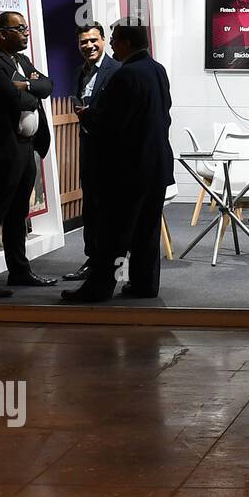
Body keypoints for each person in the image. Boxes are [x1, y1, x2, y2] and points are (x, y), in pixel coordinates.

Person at [62, 19, 174, 303]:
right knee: (147, 231)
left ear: (125, 42)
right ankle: (144, 285)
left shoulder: (125, 75)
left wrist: (86, 115)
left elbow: (111, 123)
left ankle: (98, 289)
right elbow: (165, 113)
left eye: (112, 38)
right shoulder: (157, 70)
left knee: (114, 234)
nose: (110, 44)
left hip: (129, 169)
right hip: (157, 164)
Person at [0, 12, 58, 297]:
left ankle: (19, 271)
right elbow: (10, 97)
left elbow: (47, 85)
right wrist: (27, 90)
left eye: (26, 28)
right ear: (2, 33)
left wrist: (27, 85)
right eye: (19, 29)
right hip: (3, 151)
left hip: (26, 147)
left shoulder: (22, 61)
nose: (26, 33)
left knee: (19, 214)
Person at [62, 22, 120, 282]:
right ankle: (92, 258)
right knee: (91, 208)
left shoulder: (117, 71)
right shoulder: (79, 72)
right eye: (83, 42)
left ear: (104, 40)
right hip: (88, 149)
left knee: (110, 209)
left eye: (93, 40)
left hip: (112, 152)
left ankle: (113, 263)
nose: (89, 46)